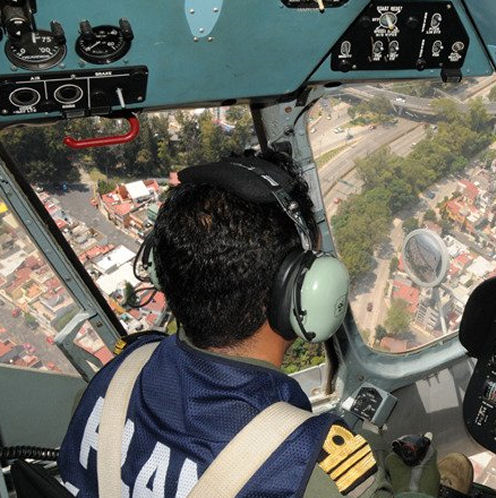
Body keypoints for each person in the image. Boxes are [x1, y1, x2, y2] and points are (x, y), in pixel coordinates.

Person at [57, 153, 472, 497]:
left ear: (162, 272)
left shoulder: (114, 380)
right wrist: (413, 483)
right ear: (304, 292)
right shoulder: (310, 474)